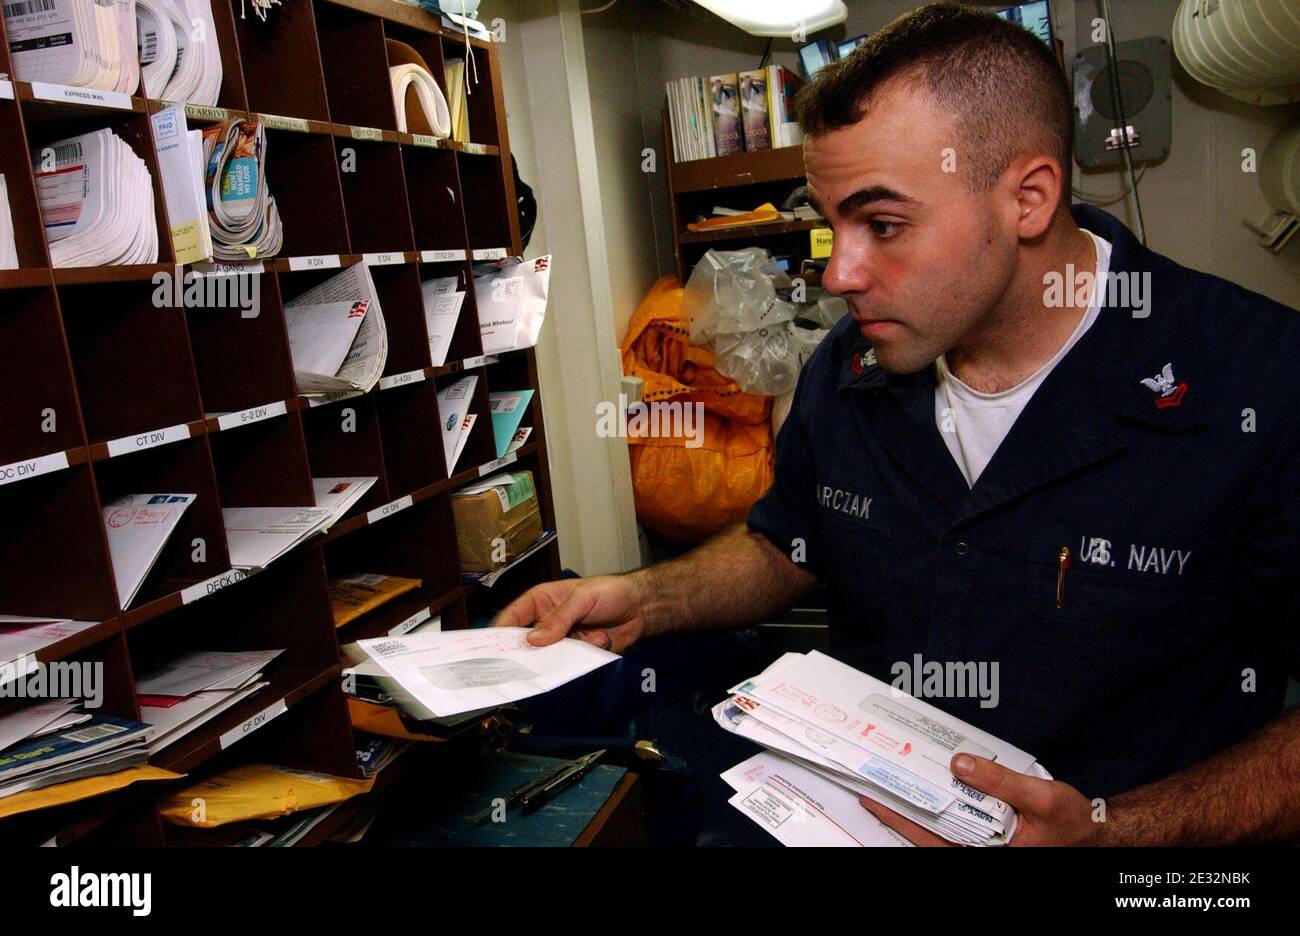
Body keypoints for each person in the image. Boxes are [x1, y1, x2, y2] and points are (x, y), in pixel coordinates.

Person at [496, 2, 1300, 845]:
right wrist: (643, 599)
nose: (839, 273)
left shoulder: (1257, 382)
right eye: (830, 223)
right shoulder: (851, 365)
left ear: (1028, 199)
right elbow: (789, 543)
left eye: (883, 225)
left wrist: (1114, 831)